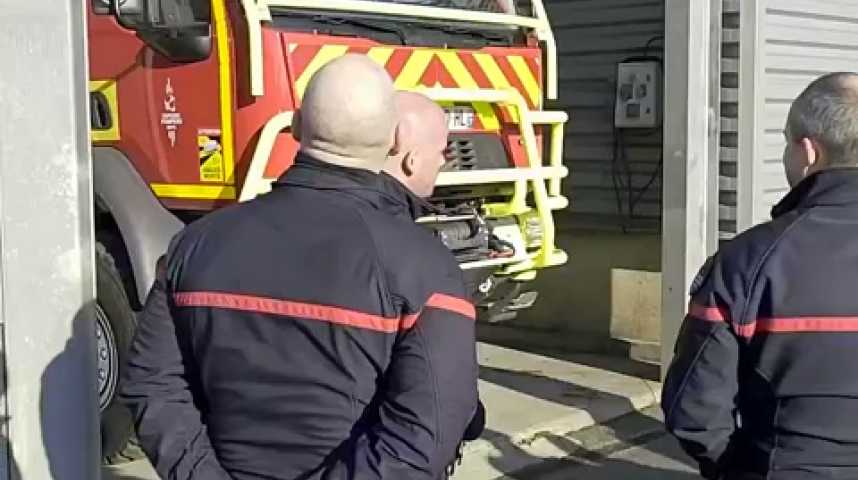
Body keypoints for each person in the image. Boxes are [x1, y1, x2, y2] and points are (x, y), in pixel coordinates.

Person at [121, 54, 479, 480]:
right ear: (395, 139)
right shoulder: (426, 268)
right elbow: (426, 434)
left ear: (294, 126)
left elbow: (153, 387)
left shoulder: (195, 246)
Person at [663, 72, 858, 480]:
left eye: (786, 142)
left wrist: (741, 469)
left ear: (807, 152)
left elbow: (694, 411)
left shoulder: (748, 262)